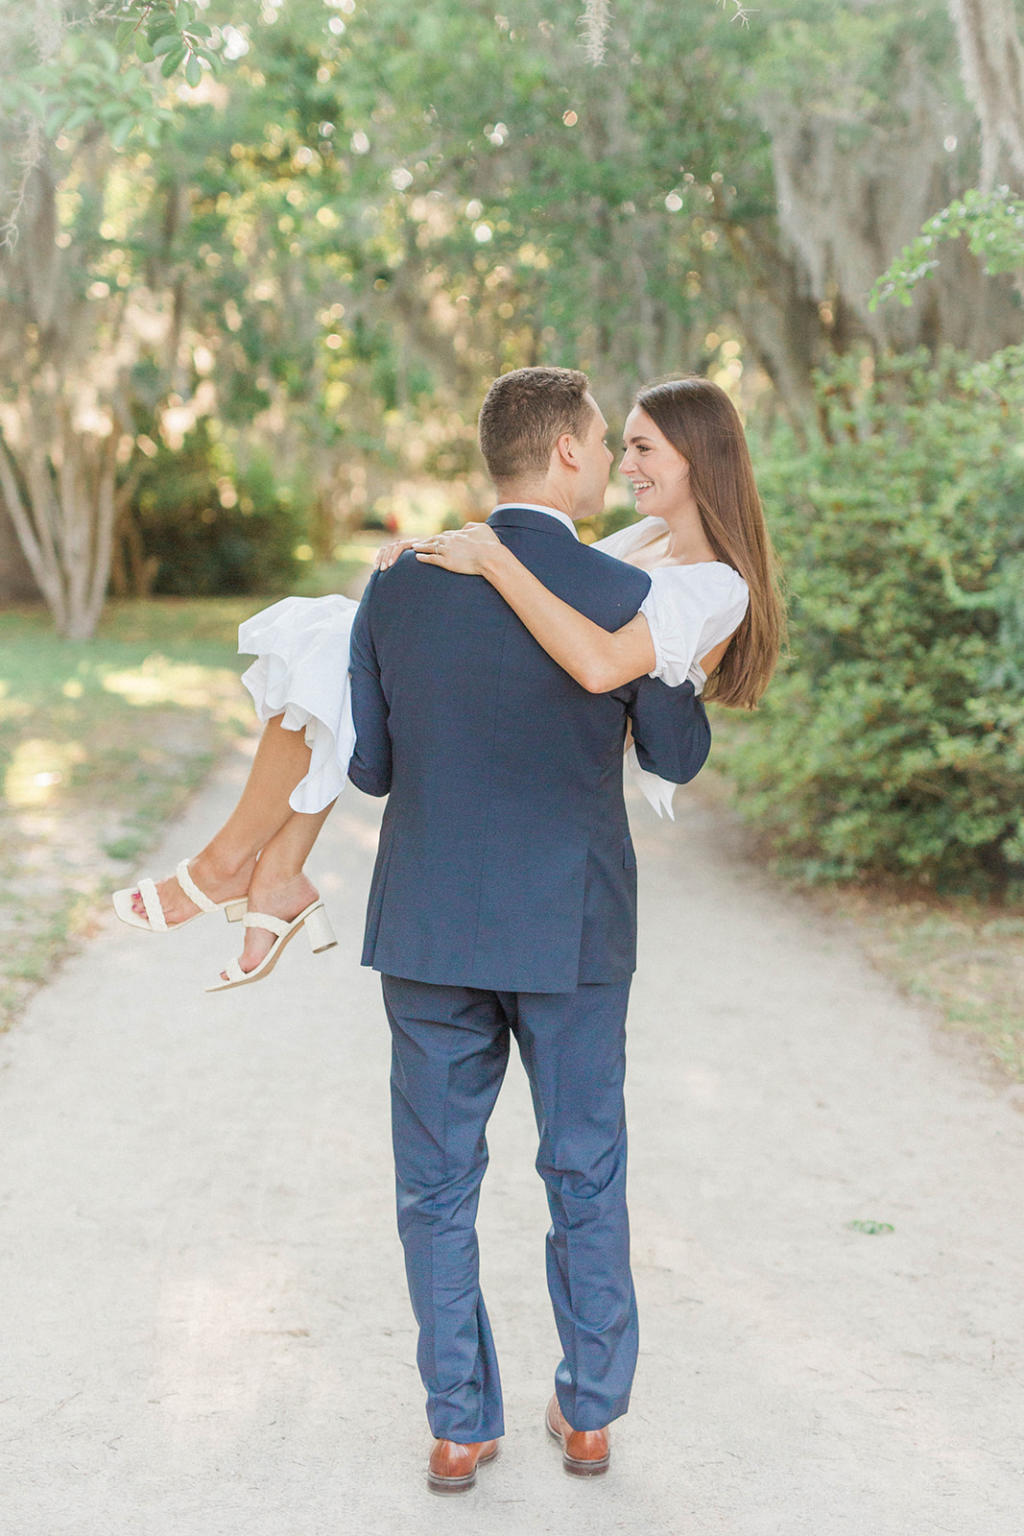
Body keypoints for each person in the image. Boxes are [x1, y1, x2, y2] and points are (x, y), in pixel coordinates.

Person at [346, 366, 716, 1490]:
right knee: (585, 1169)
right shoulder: (624, 592)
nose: (610, 462)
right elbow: (677, 754)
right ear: (563, 452)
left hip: (429, 928)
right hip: (573, 929)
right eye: (604, 443)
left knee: (434, 1187)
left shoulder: (396, 582)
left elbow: (371, 767)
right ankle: (590, 1411)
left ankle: (459, 1423)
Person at [112, 374, 782, 990]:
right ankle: (272, 874)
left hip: (574, 728)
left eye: (642, 448)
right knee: (330, 644)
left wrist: (488, 558)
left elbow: (600, 662)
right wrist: (431, 558)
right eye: (622, 445)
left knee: (334, 647)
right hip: (540, 693)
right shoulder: (645, 542)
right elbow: (551, 568)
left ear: (699, 455)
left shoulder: (718, 585)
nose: (625, 464)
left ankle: (230, 869)